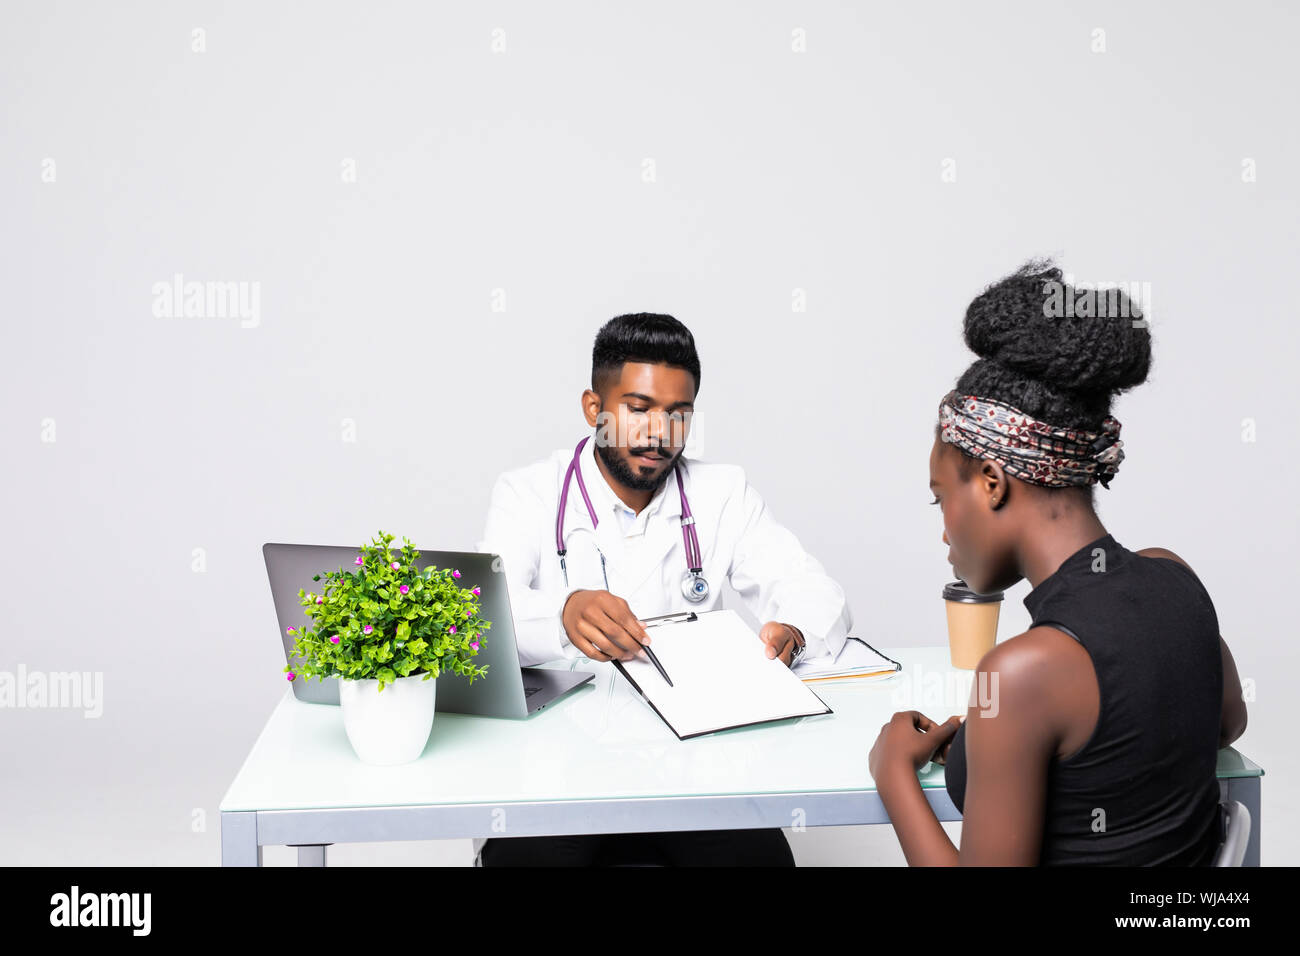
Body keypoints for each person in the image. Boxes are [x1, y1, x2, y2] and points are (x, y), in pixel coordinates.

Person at [868, 260, 1248, 865]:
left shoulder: (1020, 674)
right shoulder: (1175, 578)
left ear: (992, 482)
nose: (943, 531)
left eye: (941, 499)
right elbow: (1223, 723)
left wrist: (893, 774)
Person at [476, 312, 853, 866]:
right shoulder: (528, 493)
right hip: (561, 772)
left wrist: (792, 629)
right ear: (593, 408)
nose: (660, 433)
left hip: (696, 772)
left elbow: (812, 588)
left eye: (680, 414)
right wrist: (564, 613)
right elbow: (488, 617)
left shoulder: (722, 492)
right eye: (639, 409)